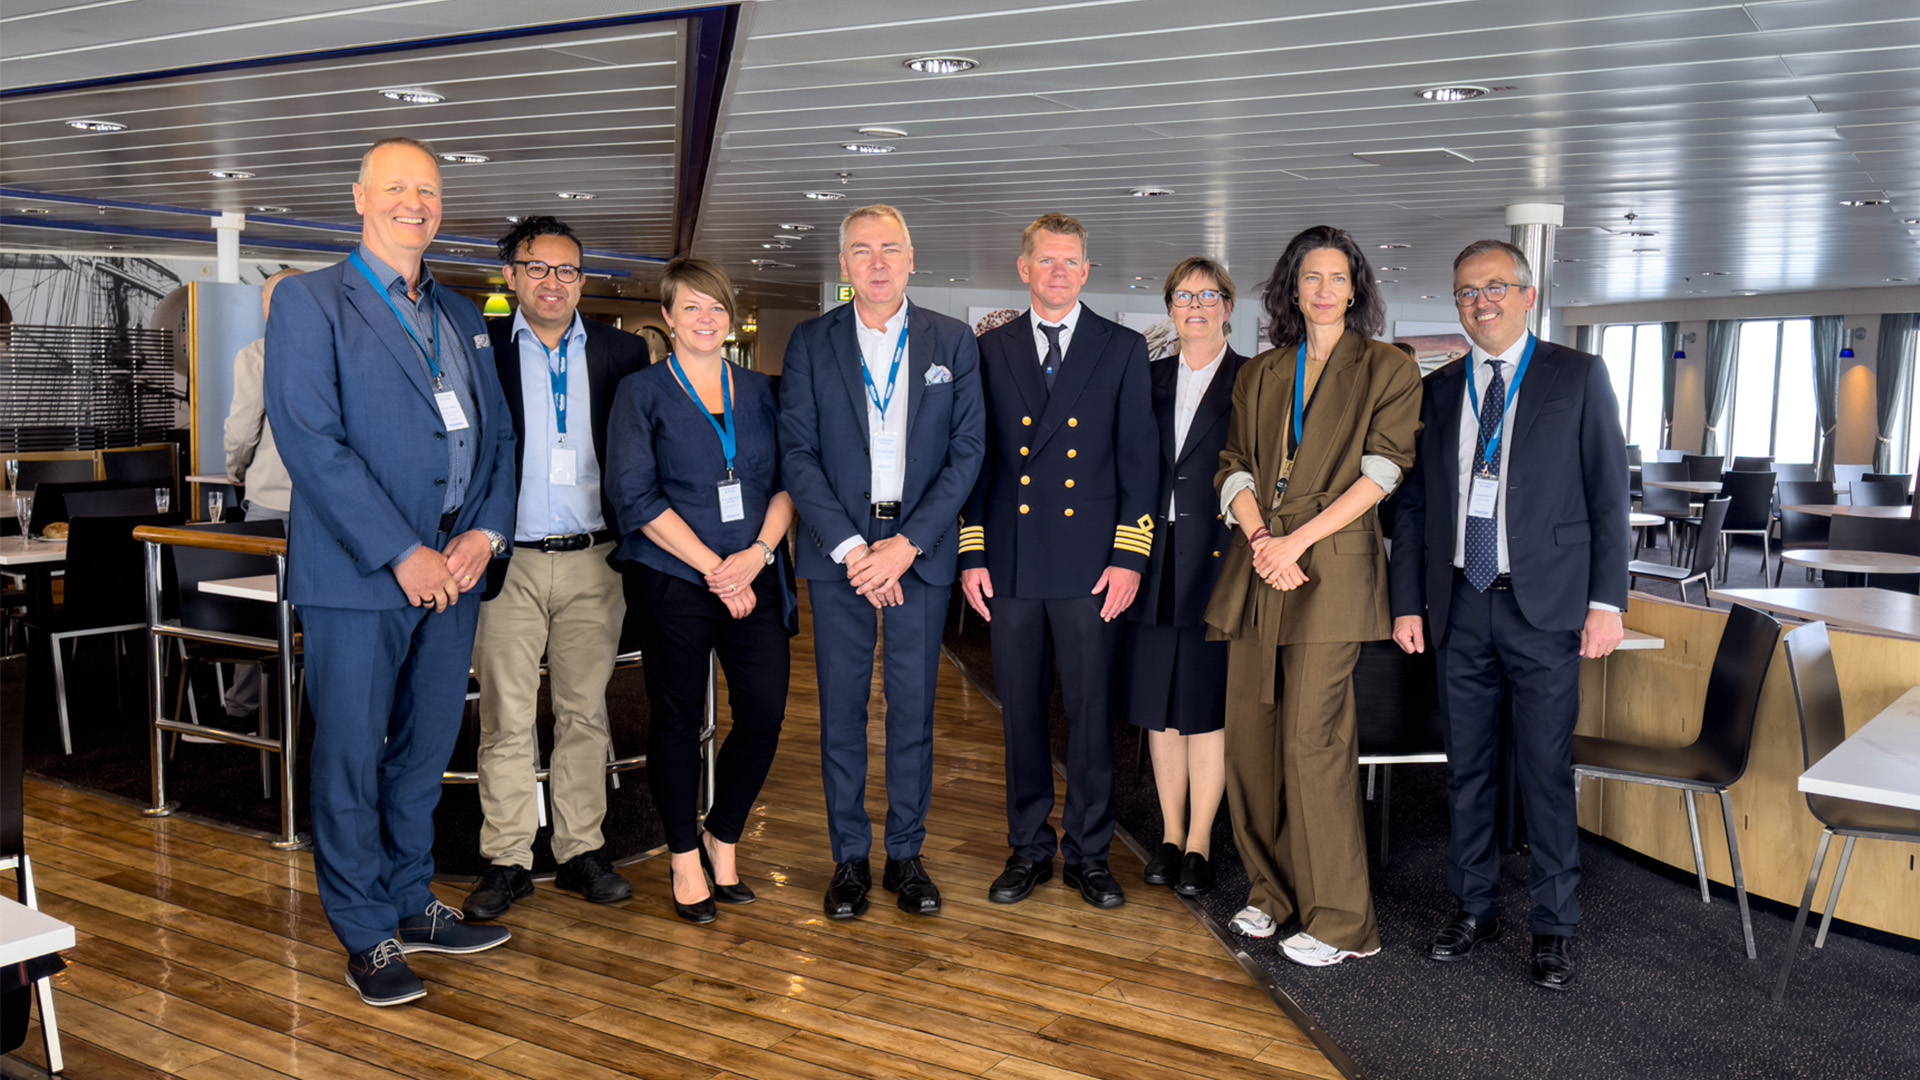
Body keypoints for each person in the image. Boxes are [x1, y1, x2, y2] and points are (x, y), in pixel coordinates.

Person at [265, 136, 518, 1006]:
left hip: (455, 572)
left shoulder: (460, 312)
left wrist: (485, 534)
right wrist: (403, 553)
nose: (416, 203)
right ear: (360, 197)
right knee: (349, 755)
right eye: (398, 188)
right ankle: (366, 933)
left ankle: (412, 901)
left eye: (430, 191)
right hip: (361, 575)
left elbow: (499, 435)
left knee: (423, 751)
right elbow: (313, 443)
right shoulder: (309, 303)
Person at [1389, 239, 1628, 991]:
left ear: (1528, 295)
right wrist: (1407, 602)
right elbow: (1416, 507)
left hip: (1546, 607)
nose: (1481, 301)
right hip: (1461, 602)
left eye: (1495, 287)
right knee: (1467, 768)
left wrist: (1607, 603)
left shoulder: (1576, 375)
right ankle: (1474, 906)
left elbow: (1608, 495)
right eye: (1467, 291)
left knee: (1545, 771)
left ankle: (1553, 926)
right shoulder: (1439, 388)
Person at [1206, 224, 1421, 967]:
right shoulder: (1264, 371)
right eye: (1310, 278)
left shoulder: (1389, 367)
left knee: (1312, 740)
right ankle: (1272, 893)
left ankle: (1342, 923)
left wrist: (1293, 543)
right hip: (1260, 562)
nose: (1323, 290)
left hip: (1329, 567)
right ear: (1291, 291)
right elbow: (1233, 465)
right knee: (1252, 738)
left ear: (1355, 289)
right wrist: (1263, 538)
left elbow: (1384, 471)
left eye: (1336, 277)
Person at [779, 205, 985, 920]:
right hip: (840, 555)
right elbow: (797, 453)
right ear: (844, 265)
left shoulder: (951, 341)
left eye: (889, 249)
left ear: (911, 259)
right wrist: (853, 549)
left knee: (913, 713)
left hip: (917, 554)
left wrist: (907, 544)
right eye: (862, 250)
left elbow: (967, 454)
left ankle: (905, 855)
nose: (876, 262)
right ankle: (849, 859)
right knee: (841, 713)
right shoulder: (811, 342)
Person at [961, 213, 1157, 910]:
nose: (1058, 272)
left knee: (1090, 716)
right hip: (1011, 564)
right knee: (1020, 715)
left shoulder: (1121, 347)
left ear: (1086, 271)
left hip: (1091, 567)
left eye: (1071, 261)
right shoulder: (991, 348)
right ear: (1024, 268)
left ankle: (1090, 854)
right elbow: (975, 459)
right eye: (1046, 260)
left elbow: (1140, 463)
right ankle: (1028, 849)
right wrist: (973, 552)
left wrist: (1130, 558)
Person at [460, 216, 648, 922]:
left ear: (582, 280)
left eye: (567, 270)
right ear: (511, 276)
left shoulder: (622, 352)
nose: (552, 282)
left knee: (585, 712)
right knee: (505, 717)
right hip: (507, 559)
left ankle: (580, 851)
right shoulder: (483, 351)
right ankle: (508, 858)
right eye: (537, 268)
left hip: (594, 560)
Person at [607, 257, 797, 925]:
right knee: (678, 720)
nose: (706, 318)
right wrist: (718, 570)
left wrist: (756, 556)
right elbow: (634, 496)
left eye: (716, 306)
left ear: (731, 316)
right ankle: (685, 857)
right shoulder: (641, 392)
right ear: (668, 317)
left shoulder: (763, 390)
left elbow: (789, 481)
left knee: (765, 714)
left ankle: (724, 833)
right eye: (691, 307)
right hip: (674, 581)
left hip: (756, 573)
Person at [1122, 257, 1247, 896]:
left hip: (1219, 557)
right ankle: (1169, 836)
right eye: (1183, 296)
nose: (1195, 306)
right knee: (1158, 708)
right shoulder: (1146, 379)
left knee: (1204, 706)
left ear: (1228, 306)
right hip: (1152, 555)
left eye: (1208, 295)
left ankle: (1200, 841)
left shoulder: (1253, 379)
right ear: (1170, 306)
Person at [225, 268, 304, 525]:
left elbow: (244, 431)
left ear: (270, 304)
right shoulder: (343, 352)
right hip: (332, 503)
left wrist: (236, 470)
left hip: (274, 500)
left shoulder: (258, 356)